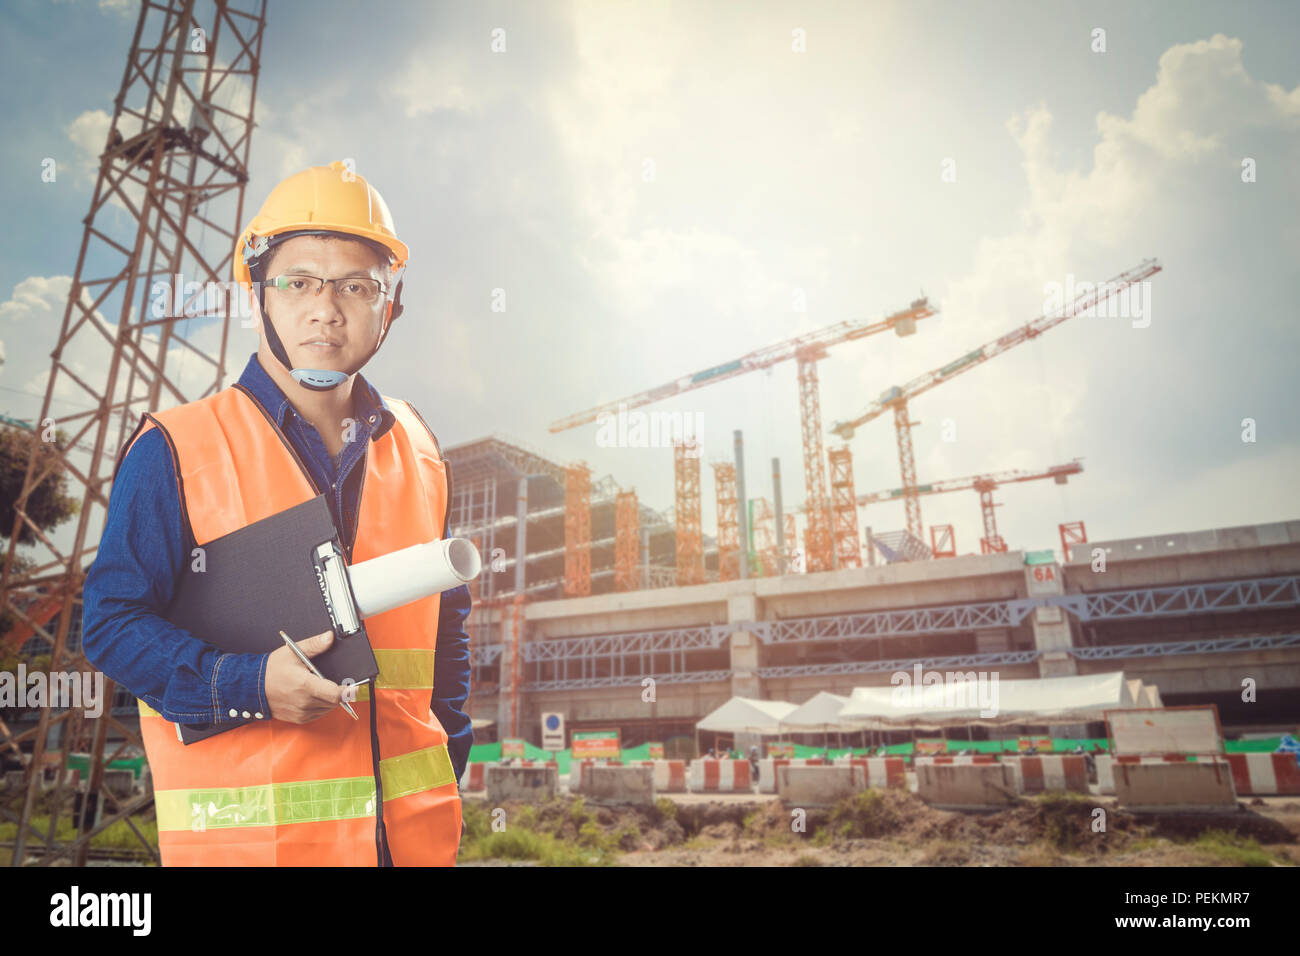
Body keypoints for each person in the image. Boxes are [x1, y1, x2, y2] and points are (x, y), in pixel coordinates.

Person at [82, 161, 471, 867]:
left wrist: (449, 757)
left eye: (357, 286)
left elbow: (447, 626)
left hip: (408, 846)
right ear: (254, 295)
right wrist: (246, 685)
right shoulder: (176, 447)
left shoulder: (418, 446)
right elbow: (111, 625)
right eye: (299, 282)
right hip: (258, 851)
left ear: (392, 307)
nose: (327, 308)